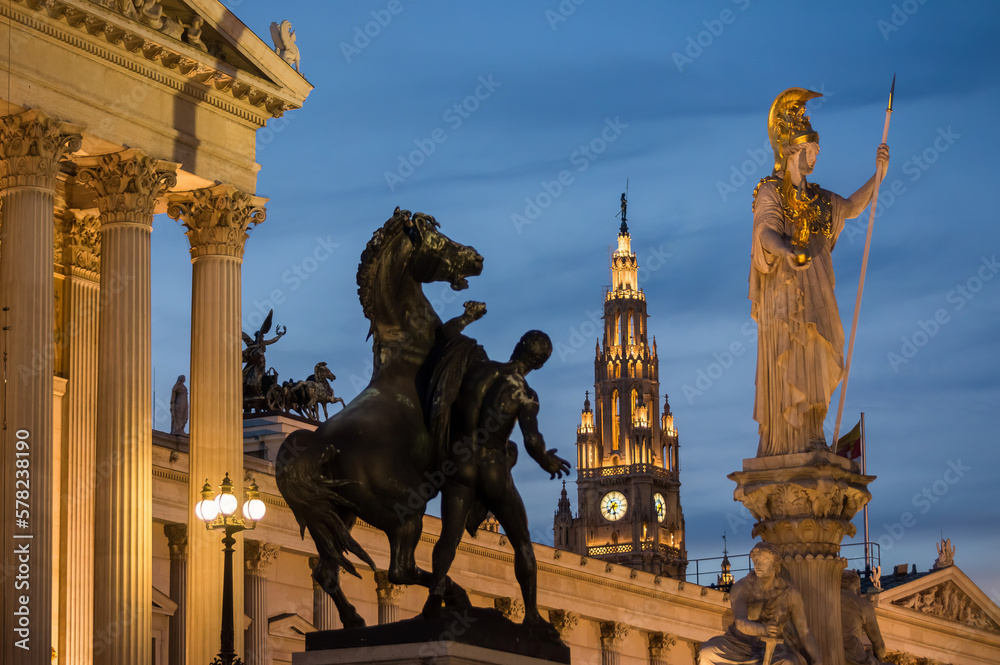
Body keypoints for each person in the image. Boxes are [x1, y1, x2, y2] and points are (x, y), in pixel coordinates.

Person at [751, 88, 889, 456]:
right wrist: (788, 250)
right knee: (795, 358)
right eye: (812, 147)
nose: (817, 153)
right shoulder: (771, 192)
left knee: (824, 352)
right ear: (794, 149)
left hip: (819, 290)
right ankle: (795, 439)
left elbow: (853, 207)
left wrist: (878, 176)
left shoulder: (820, 198)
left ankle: (813, 431)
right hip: (786, 297)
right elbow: (765, 231)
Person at [424, 330, 570, 631]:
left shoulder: (479, 369)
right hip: (493, 467)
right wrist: (546, 460)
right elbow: (531, 440)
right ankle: (531, 614)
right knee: (521, 542)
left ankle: (436, 588)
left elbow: (446, 401)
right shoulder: (525, 394)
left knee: (449, 536)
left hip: (460, 461)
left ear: (517, 346)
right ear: (539, 365)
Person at [699, 542, 820, 665]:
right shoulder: (742, 587)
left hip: (776, 649)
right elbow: (740, 622)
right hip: (739, 644)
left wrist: (817, 658)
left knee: (789, 662)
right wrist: (764, 629)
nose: (758, 564)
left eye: (764, 560)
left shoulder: (790, 593)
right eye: (756, 560)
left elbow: (804, 630)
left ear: (775, 564)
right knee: (707, 653)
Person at [841, 570, 888, 665]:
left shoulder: (826, 601)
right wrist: (878, 659)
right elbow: (879, 646)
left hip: (825, 650)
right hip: (853, 655)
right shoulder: (863, 604)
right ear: (857, 586)